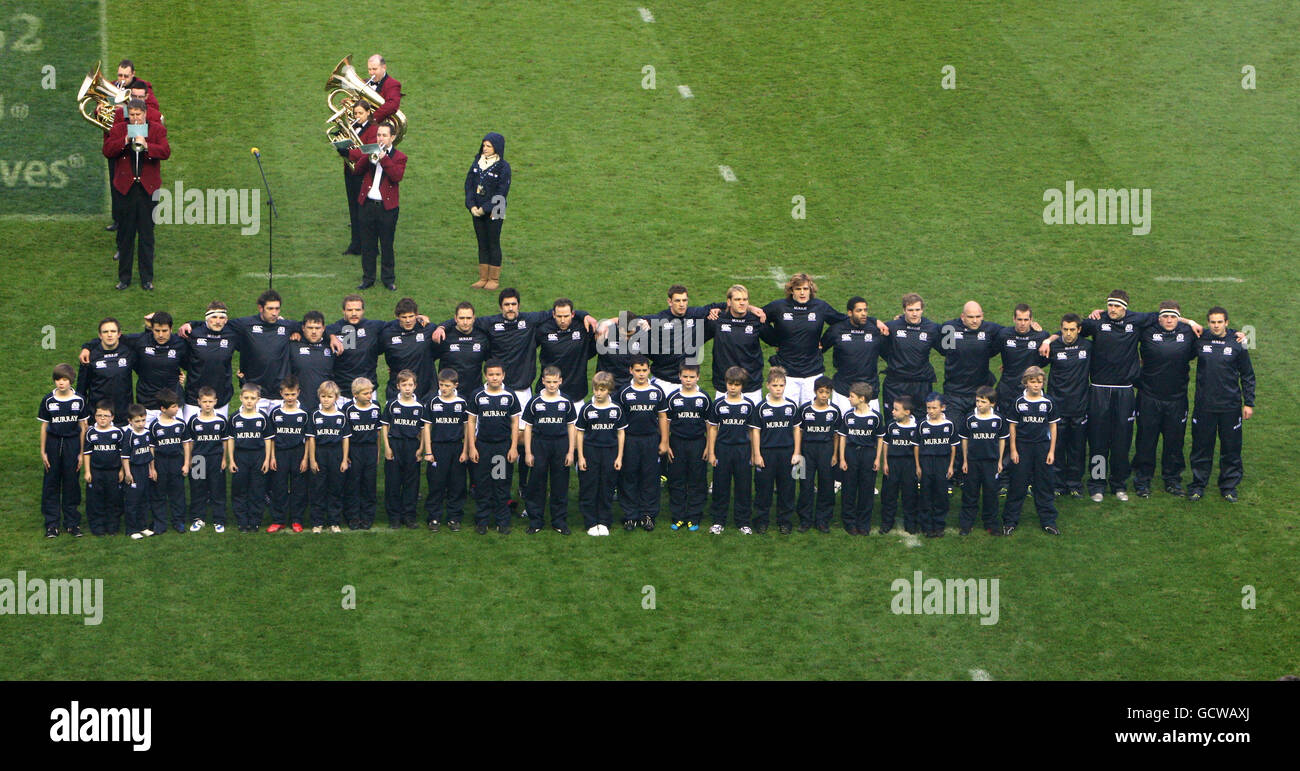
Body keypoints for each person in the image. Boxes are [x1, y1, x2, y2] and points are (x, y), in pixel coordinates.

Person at [1038, 290, 1201, 502]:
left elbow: (1165, 315)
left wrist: (1190, 321)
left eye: (1116, 306)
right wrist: (1049, 340)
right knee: (1098, 440)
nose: (1112, 310)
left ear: (1125, 307)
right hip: (1099, 390)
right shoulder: (1097, 322)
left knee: (1121, 441)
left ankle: (1119, 484)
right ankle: (1097, 484)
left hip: (1125, 391)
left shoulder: (1137, 320)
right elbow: (1070, 329)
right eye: (1109, 305)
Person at [1188, 307, 1255, 503]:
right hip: (1204, 406)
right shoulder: (1200, 338)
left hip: (1230, 406)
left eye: (1219, 322)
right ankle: (1198, 485)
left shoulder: (1237, 342)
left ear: (1226, 323)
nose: (1216, 325)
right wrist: (1189, 321)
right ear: (1208, 323)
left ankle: (1229, 487)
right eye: (1212, 322)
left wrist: (1249, 403)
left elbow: (1248, 375)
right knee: (1201, 448)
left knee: (1231, 448)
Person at [1132, 302, 1197, 497]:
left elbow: (1215, 334)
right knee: (1146, 440)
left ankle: (1173, 479)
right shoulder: (1146, 329)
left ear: (1179, 317)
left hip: (1177, 398)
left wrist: (1240, 335)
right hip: (1149, 397)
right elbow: (1125, 318)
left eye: (1173, 317)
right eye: (1165, 316)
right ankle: (1142, 480)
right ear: (1159, 317)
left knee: (1174, 441)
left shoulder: (1189, 332)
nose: (1169, 320)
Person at [104, 98, 169, 290]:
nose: (135, 119)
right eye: (131, 115)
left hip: (148, 191)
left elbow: (165, 151)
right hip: (126, 190)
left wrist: (147, 145)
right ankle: (124, 278)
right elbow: (107, 150)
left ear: (145, 114)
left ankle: (146, 279)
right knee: (126, 236)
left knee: (147, 236)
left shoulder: (157, 130)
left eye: (138, 115)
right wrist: (124, 141)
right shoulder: (118, 130)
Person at [80, 311, 185, 424]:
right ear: (151, 329)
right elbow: (111, 339)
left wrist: (190, 324)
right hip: (147, 405)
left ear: (171, 329)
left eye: (164, 331)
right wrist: (87, 347)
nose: (160, 335)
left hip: (173, 404)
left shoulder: (180, 343)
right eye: (157, 330)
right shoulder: (140, 341)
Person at [760, 273, 848, 406]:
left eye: (805, 289)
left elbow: (842, 321)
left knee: (812, 416)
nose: (802, 293)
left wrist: (824, 343)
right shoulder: (779, 307)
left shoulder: (820, 307)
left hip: (813, 373)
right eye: (798, 289)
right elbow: (757, 318)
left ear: (811, 290)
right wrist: (775, 341)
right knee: (787, 415)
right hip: (787, 373)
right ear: (791, 290)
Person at [1001, 367, 1059, 535]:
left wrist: (1051, 451)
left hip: (1042, 447)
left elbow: (1053, 427)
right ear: (1025, 382)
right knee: (1018, 484)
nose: (1036, 385)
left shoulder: (1048, 402)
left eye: (1039, 382)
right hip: (1022, 447)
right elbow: (1012, 426)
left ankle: (1048, 520)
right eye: (1033, 382)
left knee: (1044, 485)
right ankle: (1010, 521)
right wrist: (1013, 450)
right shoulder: (1019, 402)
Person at [349, 122, 406, 291]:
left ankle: (388, 279)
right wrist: (368, 156)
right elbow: (357, 171)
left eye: (384, 135)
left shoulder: (399, 157)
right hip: (367, 205)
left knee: (387, 244)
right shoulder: (370, 151)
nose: (380, 138)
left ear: (392, 138)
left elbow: (396, 176)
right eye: (379, 135)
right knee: (368, 244)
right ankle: (368, 278)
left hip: (387, 208)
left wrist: (384, 159)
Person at [466, 360, 521, 535]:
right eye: (491, 374)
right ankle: (482, 520)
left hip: (502, 448)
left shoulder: (509, 396)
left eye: (498, 374)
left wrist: (513, 447)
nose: (494, 378)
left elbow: (515, 423)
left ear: (503, 375)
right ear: (485, 376)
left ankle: (502, 520)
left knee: (500, 484)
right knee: (482, 484)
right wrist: (472, 447)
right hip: (483, 446)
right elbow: (471, 421)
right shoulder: (478, 395)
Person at [521, 366, 577, 534]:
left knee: (560, 484)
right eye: (549, 382)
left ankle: (559, 521)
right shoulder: (535, 402)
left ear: (560, 381)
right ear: (543, 381)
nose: (552, 385)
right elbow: (528, 428)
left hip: (560, 445)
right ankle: (535, 521)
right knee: (537, 483)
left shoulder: (566, 401)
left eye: (555, 382)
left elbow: (571, 427)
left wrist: (570, 451)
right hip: (540, 445)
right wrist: (529, 452)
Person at [616, 356, 669, 531]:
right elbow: (619, 422)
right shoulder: (624, 392)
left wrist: (664, 441)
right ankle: (630, 515)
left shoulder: (657, 391)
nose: (641, 374)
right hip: (630, 440)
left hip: (650, 440)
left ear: (649, 371)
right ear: (630, 371)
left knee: (650, 478)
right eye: (637, 371)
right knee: (628, 477)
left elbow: (662, 416)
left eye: (644, 370)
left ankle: (648, 515)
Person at [705, 366, 759, 535]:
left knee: (743, 487)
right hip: (723, 450)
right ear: (726, 383)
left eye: (737, 384)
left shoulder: (749, 405)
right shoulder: (719, 404)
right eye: (730, 383)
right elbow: (713, 428)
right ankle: (718, 521)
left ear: (742, 386)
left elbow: (752, 430)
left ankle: (743, 522)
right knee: (721, 486)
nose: (733, 387)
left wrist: (753, 453)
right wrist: (712, 452)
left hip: (742, 450)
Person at [750, 366, 801, 535]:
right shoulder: (761, 407)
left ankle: (785, 521)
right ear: (767, 386)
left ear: (785, 386)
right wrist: (757, 454)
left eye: (781, 386)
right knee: (763, 489)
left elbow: (796, 430)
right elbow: (755, 431)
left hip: (787, 454)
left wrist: (796, 453)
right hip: (767, 453)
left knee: (787, 489)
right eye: (775, 385)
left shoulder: (791, 406)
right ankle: (761, 520)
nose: (778, 389)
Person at [39, 364, 88, 538]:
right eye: (58, 379)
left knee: (71, 484)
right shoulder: (48, 400)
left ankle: (72, 523)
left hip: (72, 444)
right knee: (51, 484)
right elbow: (44, 426)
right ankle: (52, 524)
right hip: (52, 444)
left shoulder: (79, 400)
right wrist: (43, 451)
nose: (61, 383)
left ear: (70, 381)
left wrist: (81, 453)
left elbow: (83, 427)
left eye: (65, 379)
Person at [1045, 314, 1091, 498]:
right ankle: (1057, 484)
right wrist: (1048, 340)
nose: (1069, 333)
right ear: (1061, 329)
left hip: (1080, 408)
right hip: (1058, 408)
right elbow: (1036, 364)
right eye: (1065, 329)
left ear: (1079, 330)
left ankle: (1075, 484)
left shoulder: (1088, 347)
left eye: (1072, 329)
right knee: (1057, 447)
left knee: (1077, 449)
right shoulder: (1053, 347)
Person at [576, 372, 626, 536]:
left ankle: (604, 521)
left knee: (607, 487)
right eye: (596, 389)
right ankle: (590, 522)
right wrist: (581, 457)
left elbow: (620, 433)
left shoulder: (616, 409)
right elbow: (580, 433)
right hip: (590, 452)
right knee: (589, 487)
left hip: (610, 452)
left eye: (602, 390)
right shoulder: (587, 409)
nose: (598, 393)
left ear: (609, 390)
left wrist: (619, 457)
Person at [821, 296, 887, 416]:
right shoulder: (837, 330)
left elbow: (889, 352)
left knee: (870, 429)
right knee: (840, 429)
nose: (863, 314)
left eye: (865, 310)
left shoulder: (875, 330)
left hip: (869, 391)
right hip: (843, 391)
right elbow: (819, 349)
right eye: (859, 311)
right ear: (850, 313)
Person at [421, 369, 469, 531]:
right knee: (436, 484)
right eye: (441, 385)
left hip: (457, 447)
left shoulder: (462, 402)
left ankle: (454, 517)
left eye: (447, 385)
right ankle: (434, 517)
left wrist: (465, 450)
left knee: (457, 484)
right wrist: (428, 451)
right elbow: (426, 427)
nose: (443, 388)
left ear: (455, 385)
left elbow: (467, 426)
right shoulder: (433, 401)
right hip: (437, 447)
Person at [664, 363, 710, 532]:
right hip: (677, 443)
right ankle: (678, 516)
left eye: (692, 377)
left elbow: (709, 425)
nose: (688, 380)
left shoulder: (703, 397)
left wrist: (709, 447)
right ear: (679, 376)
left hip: (698, 443)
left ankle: (694, 515)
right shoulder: (673, 397)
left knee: (697, 480)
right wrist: (666, 443)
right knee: (676, 479)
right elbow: (666, 422)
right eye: (685, 377)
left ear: (697, 377)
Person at [704, 285, 771, 403]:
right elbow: (697, 339)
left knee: (752, 421)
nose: (742, 303)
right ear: (729, 302)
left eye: (745, 300)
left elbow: (775, 340)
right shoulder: (717, 320)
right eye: (737, 300)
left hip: (751, 386)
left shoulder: (756, 320)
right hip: (724, 385)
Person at [958, 386, 1007, 536]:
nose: (979, 404)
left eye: (983, 402)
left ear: (992, 403)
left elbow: (1002, 440)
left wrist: (999, 461)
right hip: (973, 461)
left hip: (991, 462)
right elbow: (965, 440)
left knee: (991, 494)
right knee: (970, 493)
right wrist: (965, 460)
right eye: (978, 401)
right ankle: (966, 524)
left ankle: (991, 523)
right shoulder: (969, 418)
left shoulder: (998, 419)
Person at [881, 294, 940, 417]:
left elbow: (947, 349)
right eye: (910, 310)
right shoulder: (892, 327)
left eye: (917, 310)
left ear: (922, 310)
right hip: (896, 384)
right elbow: (880, 347)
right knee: (894, 421)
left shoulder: (932, 328)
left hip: (921, 384)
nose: (914, 314)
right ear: (904, 310)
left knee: (921, 422)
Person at [465, 132, 511, 290]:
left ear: (497, 148)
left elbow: (501, 192)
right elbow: (469, 184)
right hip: (477, 208)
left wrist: (485, 208)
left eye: (488, 146)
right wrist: (471, 205)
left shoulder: (504, 167)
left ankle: (494, 279)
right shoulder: (477, 162)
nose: (485, 148)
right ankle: (483, 277)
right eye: (484, 145)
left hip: (497, 207)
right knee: (481, 242)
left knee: (493, 242)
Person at [380, 369, 425, 529]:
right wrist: (387, 447)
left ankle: (409, 516)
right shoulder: (392, 404)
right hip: (395, 445)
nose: (407, 388)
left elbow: (423, 430)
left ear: (415, 386)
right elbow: (385, 426)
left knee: (411, 483)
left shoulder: (420, 406)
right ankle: (394, 517)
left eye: (410, 385)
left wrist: (421, 449)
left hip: (412, 446)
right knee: (393, 482)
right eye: (404, 384)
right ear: (398, 386)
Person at [266, 377, 310, 533]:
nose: (290, 398)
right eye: (286, 394)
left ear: (298, 392)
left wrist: (306, 459)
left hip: (298, 454)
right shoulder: (275, 413)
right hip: (280, 453)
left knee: (299, 487)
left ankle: (297, 519)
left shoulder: (304, 413)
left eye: (292, 394)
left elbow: (309, 438)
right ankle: (279, 520)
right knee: (279, 487)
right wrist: (271, 457)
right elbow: (270, 438)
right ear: (281, 394)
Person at [179, 302, 238, 421]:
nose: (218, 321)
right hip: (194, 397)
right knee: (190, 436)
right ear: (207, 318)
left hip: (220, 398)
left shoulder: (232, 334)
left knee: (219, 436)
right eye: (214, 317)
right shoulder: (192, 333)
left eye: (222, 318)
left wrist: (278, 322)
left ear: (226, 320)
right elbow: (176, 353)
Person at [800, 376, 843, 532]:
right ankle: (805, 520)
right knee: (805, 485)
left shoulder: (835, 411)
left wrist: (835, 455)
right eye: (821, 392)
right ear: (815, 391)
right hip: (806, 451)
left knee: (826, 485)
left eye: (827, 392)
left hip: (826, 450)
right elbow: (799, 431)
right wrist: (797, 452)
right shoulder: (805, 409)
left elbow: (837, 434)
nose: (824, 395)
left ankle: (823, 520)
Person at [307, 380, 350, 533]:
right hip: (320, 453)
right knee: (318, 488)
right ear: (319, 396)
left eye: (329, 396)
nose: (326, 399)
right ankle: (317, 522)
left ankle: (334, 521)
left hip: (336, 454)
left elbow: (345, 439)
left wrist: (345, 459)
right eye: (323, 396)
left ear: (336, 398)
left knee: (335, 488)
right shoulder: (314, 415)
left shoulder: (341, 416)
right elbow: (311, 439)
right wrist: (312, 459)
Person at [327, 294, 387, 403]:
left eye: (357, 310)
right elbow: (314, 329)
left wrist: (418, 317)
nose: (354, 313)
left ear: (363, 311)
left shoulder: (373, 326)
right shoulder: (335, 328)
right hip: (342, 393)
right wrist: (331, 336)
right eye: (350, 310)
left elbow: (398, 324)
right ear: (343, 311)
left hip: (367, 391)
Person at [536, 298, 596, 408]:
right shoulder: (543, 329)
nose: (563, 320)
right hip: (548, 392)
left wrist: (584, 315)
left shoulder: (583, 327)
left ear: (573, 314)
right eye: (559, 316)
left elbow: (595, 346)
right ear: (553, 314)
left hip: (576, 394)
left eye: (566, 316)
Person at [185, 387, 229, 533]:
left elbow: (225, 441)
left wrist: (224, 458)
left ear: (215, 402)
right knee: (198, 489)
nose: (208, 404)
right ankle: (198, 518)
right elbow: (190, 442)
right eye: (205, 401)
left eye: (210, 401)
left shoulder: (221, 420)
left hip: (216, 458)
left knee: (217, 489)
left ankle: (219, 520)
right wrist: (190, 459)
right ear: (199, 402)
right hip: (198, 459)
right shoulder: (193, 421)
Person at [228, 384, 271, 532]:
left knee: (257, 489)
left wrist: (267, 459)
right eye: (246, 398)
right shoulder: (234, 418)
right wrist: (231, 460)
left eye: (252, 398)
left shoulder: (263, 418)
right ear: (240, 398)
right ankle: (242, 521)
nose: (249, 401)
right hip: (240, 456)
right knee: (240, 490)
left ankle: (255, 521)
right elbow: (230, 439)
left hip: (258, 456)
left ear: (258, 399)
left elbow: (267, 440)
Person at [148, 389, 191, 536]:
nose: (177, 408)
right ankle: (160, 523)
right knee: (159, 494)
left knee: (177, 493)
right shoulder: (154, 426)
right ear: (163, 408)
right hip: (160, 462)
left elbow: (186, 444)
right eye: (173, 406)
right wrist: (152, 468)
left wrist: (186, 464)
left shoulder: (180, 424)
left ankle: (178, 521)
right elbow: (151, 449)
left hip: (176, 462)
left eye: (177, 405)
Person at [76, 317, 135, 426]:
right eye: (105, 332)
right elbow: (81, 389)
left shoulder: (129, 352)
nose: (109, 335)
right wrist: (82, 416)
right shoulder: (89, 356)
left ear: (119, 334)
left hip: (123, 417)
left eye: (113, 331)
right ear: (100, 335)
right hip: (98, 417)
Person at [916, 393, 959, 538]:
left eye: (934, 408)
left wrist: (951, 465)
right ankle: (926, 525)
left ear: (943, 408)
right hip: (926, 461)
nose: (931, 411)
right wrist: (918, 466)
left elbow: (953, 446)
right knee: (926, 493)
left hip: (943, 462)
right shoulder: (922, 424)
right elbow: (916, 446)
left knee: (941, 494)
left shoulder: (949, 424)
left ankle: (939, 524)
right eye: (928, 408)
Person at [339, 101, 378, 256]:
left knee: (365, 212)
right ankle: (356, 244)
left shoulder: (374, 129)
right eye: (355, 113)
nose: (357, 116)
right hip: (350, 172)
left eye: (360, 113)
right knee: (353, 210)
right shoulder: (353, 127)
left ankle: (370, 246)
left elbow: (367, 150)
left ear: (368, 112)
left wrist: (349, 153)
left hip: (364, 174)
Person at [878, 396, 920, 535]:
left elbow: (918, 448)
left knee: (910, 494)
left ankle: (911, 523)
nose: (892, 412)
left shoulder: (917, 427)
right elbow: (886, 443)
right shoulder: (891, 425)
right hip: (893, 463)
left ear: (907, 412)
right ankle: (887, 523)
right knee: (889, 494)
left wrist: (917, 466)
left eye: (896, 409)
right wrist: (885, 462)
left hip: (909, 464)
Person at [345, 378, 382, 530]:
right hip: (355, 449)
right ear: (355, 394)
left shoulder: (376, 407)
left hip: (370, 449)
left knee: (369, 484)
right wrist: (345, 454)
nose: (369, 396)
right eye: (365, 393)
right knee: (353, 483)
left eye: (371, 393)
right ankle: (353, 516)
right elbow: (345, 435)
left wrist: (378, 452)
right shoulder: (348, 409)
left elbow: (378, 432)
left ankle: (367, 516)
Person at [83, 401, 125, 536]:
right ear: (94, 416)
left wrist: (122, 471)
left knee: (113, 499)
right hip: (96, 472)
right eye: (99, 415)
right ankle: (97, 527)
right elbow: (87, 453)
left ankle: (112, 526)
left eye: (106, 416)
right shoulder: (91, 433)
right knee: (95, 500)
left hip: (113, 472)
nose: (102, 418)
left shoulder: (118, 433)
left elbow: (122, 454)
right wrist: (88, 471)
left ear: (112, 417)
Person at [380, 298, 434, 402]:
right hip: (397, 391)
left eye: (411, 316)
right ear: (397, 317)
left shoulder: (427, 329)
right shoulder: (387, 333)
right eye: (404, 317)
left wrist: (441, 327)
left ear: (417, 315)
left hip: (425, 390)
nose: (408, 320)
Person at [288, 311, 335, 415]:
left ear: (323, 328)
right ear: (303, 328)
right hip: (298, 405)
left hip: (324, 406)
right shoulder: (293, 345)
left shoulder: (331, 347)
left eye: (317, 328)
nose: (314, 332)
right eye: (310, 328)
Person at [121, 404, 157, 538]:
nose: (141, 424)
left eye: (143, 420)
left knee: (144, 499)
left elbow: (149, 453)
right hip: (134, 470)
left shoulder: (147, 433)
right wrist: (128, 473)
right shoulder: (129, 435)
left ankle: (143, 526)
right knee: (133, 501)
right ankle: (131, 529)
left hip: (145, 470)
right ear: (130, 421)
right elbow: (124, 457)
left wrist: (152, 469)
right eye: (137, 421)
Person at [364, 54, 403, 126]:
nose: (371, 73)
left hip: (378, 127)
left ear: (384, 68)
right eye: (369, 69)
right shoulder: (364, 82)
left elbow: (392, 105)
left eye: (374, 69)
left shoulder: (393, 84)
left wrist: (370, 120)